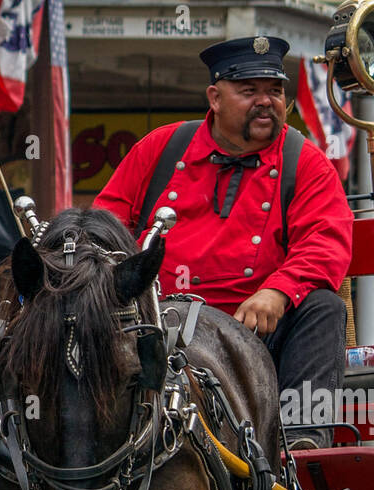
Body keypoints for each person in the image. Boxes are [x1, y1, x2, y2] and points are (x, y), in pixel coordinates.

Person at [94, 35, 353, 447]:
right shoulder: (161, 147)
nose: (266, 102)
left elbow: (325, 241)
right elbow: (104, 227)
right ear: (214, 97)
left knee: (324, 308)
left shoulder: (306, 162)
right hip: (154, 318)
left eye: (275, 91)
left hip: (255, 325)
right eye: (249, 91)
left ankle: (304, 442)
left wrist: (278, 292)